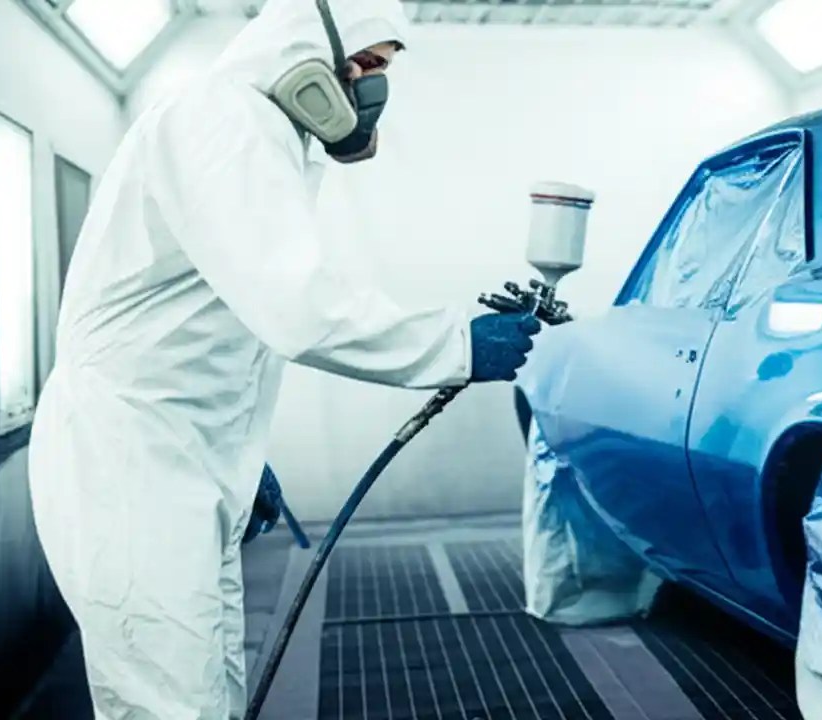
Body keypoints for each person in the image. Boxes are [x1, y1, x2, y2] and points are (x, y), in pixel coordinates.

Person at [26, 0, 539, 717]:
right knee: (174, 703)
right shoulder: (222, 119)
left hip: (172, 456)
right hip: (132, 467)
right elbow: (294, 305)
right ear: (305, 50)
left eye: (381, 69)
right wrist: (455, 344)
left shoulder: (259, 133)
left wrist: (235, 456)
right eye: (364, 64)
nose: (369, 89)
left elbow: (217, 320)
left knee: (206, 684)